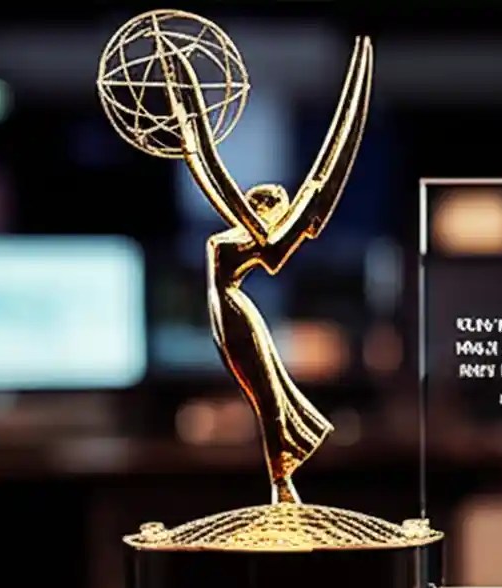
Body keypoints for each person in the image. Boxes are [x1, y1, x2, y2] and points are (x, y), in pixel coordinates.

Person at [158, 34, 373, 503]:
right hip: (231, 313)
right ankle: (282, 479)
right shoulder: (244, 228)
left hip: (239, 315)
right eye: (272, 207)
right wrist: (184, 101)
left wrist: (188, 104)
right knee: (267, 397)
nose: (273, 214)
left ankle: (282, 483)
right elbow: (208, 167)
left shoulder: (264, 241)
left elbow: (212, 166)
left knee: (269, 400)